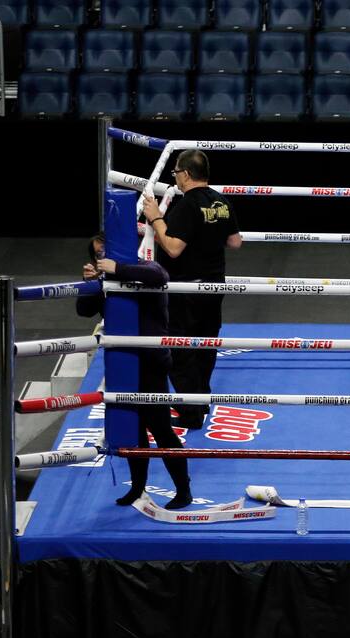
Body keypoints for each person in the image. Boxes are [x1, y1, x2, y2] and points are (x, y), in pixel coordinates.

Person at [80, 234, 194, 510]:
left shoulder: (144, 267)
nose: (103, 256)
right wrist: (89, 284)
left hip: (151, 361)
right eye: (98, 254)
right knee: (133, 428)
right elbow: (84, 311)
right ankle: (137, 487)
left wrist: (117, 269)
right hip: (122, 360)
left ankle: (184, 490)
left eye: (106, 250)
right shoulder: (105, 281)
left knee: (161, 428)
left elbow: (160, 275)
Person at [141, 149, 243, 430]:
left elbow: (173, 248)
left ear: (185, 174)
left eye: (176, 172)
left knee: (180, 348)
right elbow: (235, 242)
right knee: (206, 344)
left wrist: (155, 218)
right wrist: (206, 236)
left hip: (186, 287)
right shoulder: (222, 202)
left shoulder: (187, 205)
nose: (175, 178)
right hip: (214, 284)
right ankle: (200, 399)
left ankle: (191, 411)